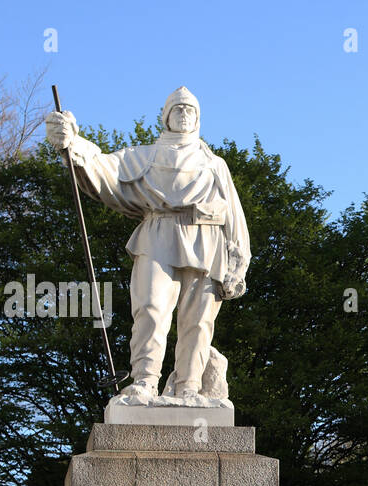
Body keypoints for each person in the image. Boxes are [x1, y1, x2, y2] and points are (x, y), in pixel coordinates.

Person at [45, 87, 249, 405]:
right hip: (158, 234)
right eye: (177, 109)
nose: (184, 113)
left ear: (199, 118)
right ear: (166, 116)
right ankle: (144, 380)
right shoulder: (145, 157)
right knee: (151, 308)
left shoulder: (215, 165)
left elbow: (234, 217)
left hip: (207, 240)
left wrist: (238, 264)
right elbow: (104, 167)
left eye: (190, 110)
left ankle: (189, 387)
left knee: (197, 320)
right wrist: (71, 141)